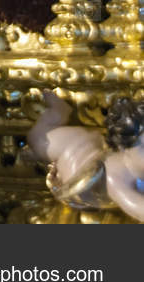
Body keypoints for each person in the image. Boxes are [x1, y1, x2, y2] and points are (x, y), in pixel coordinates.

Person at [28, 89, 144, 221]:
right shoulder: (116, 178)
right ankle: (57, 111)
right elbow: (138, 209)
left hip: (96, 146)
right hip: (72, 150)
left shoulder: (135, 163)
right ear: (124, 147)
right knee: (38, 139)